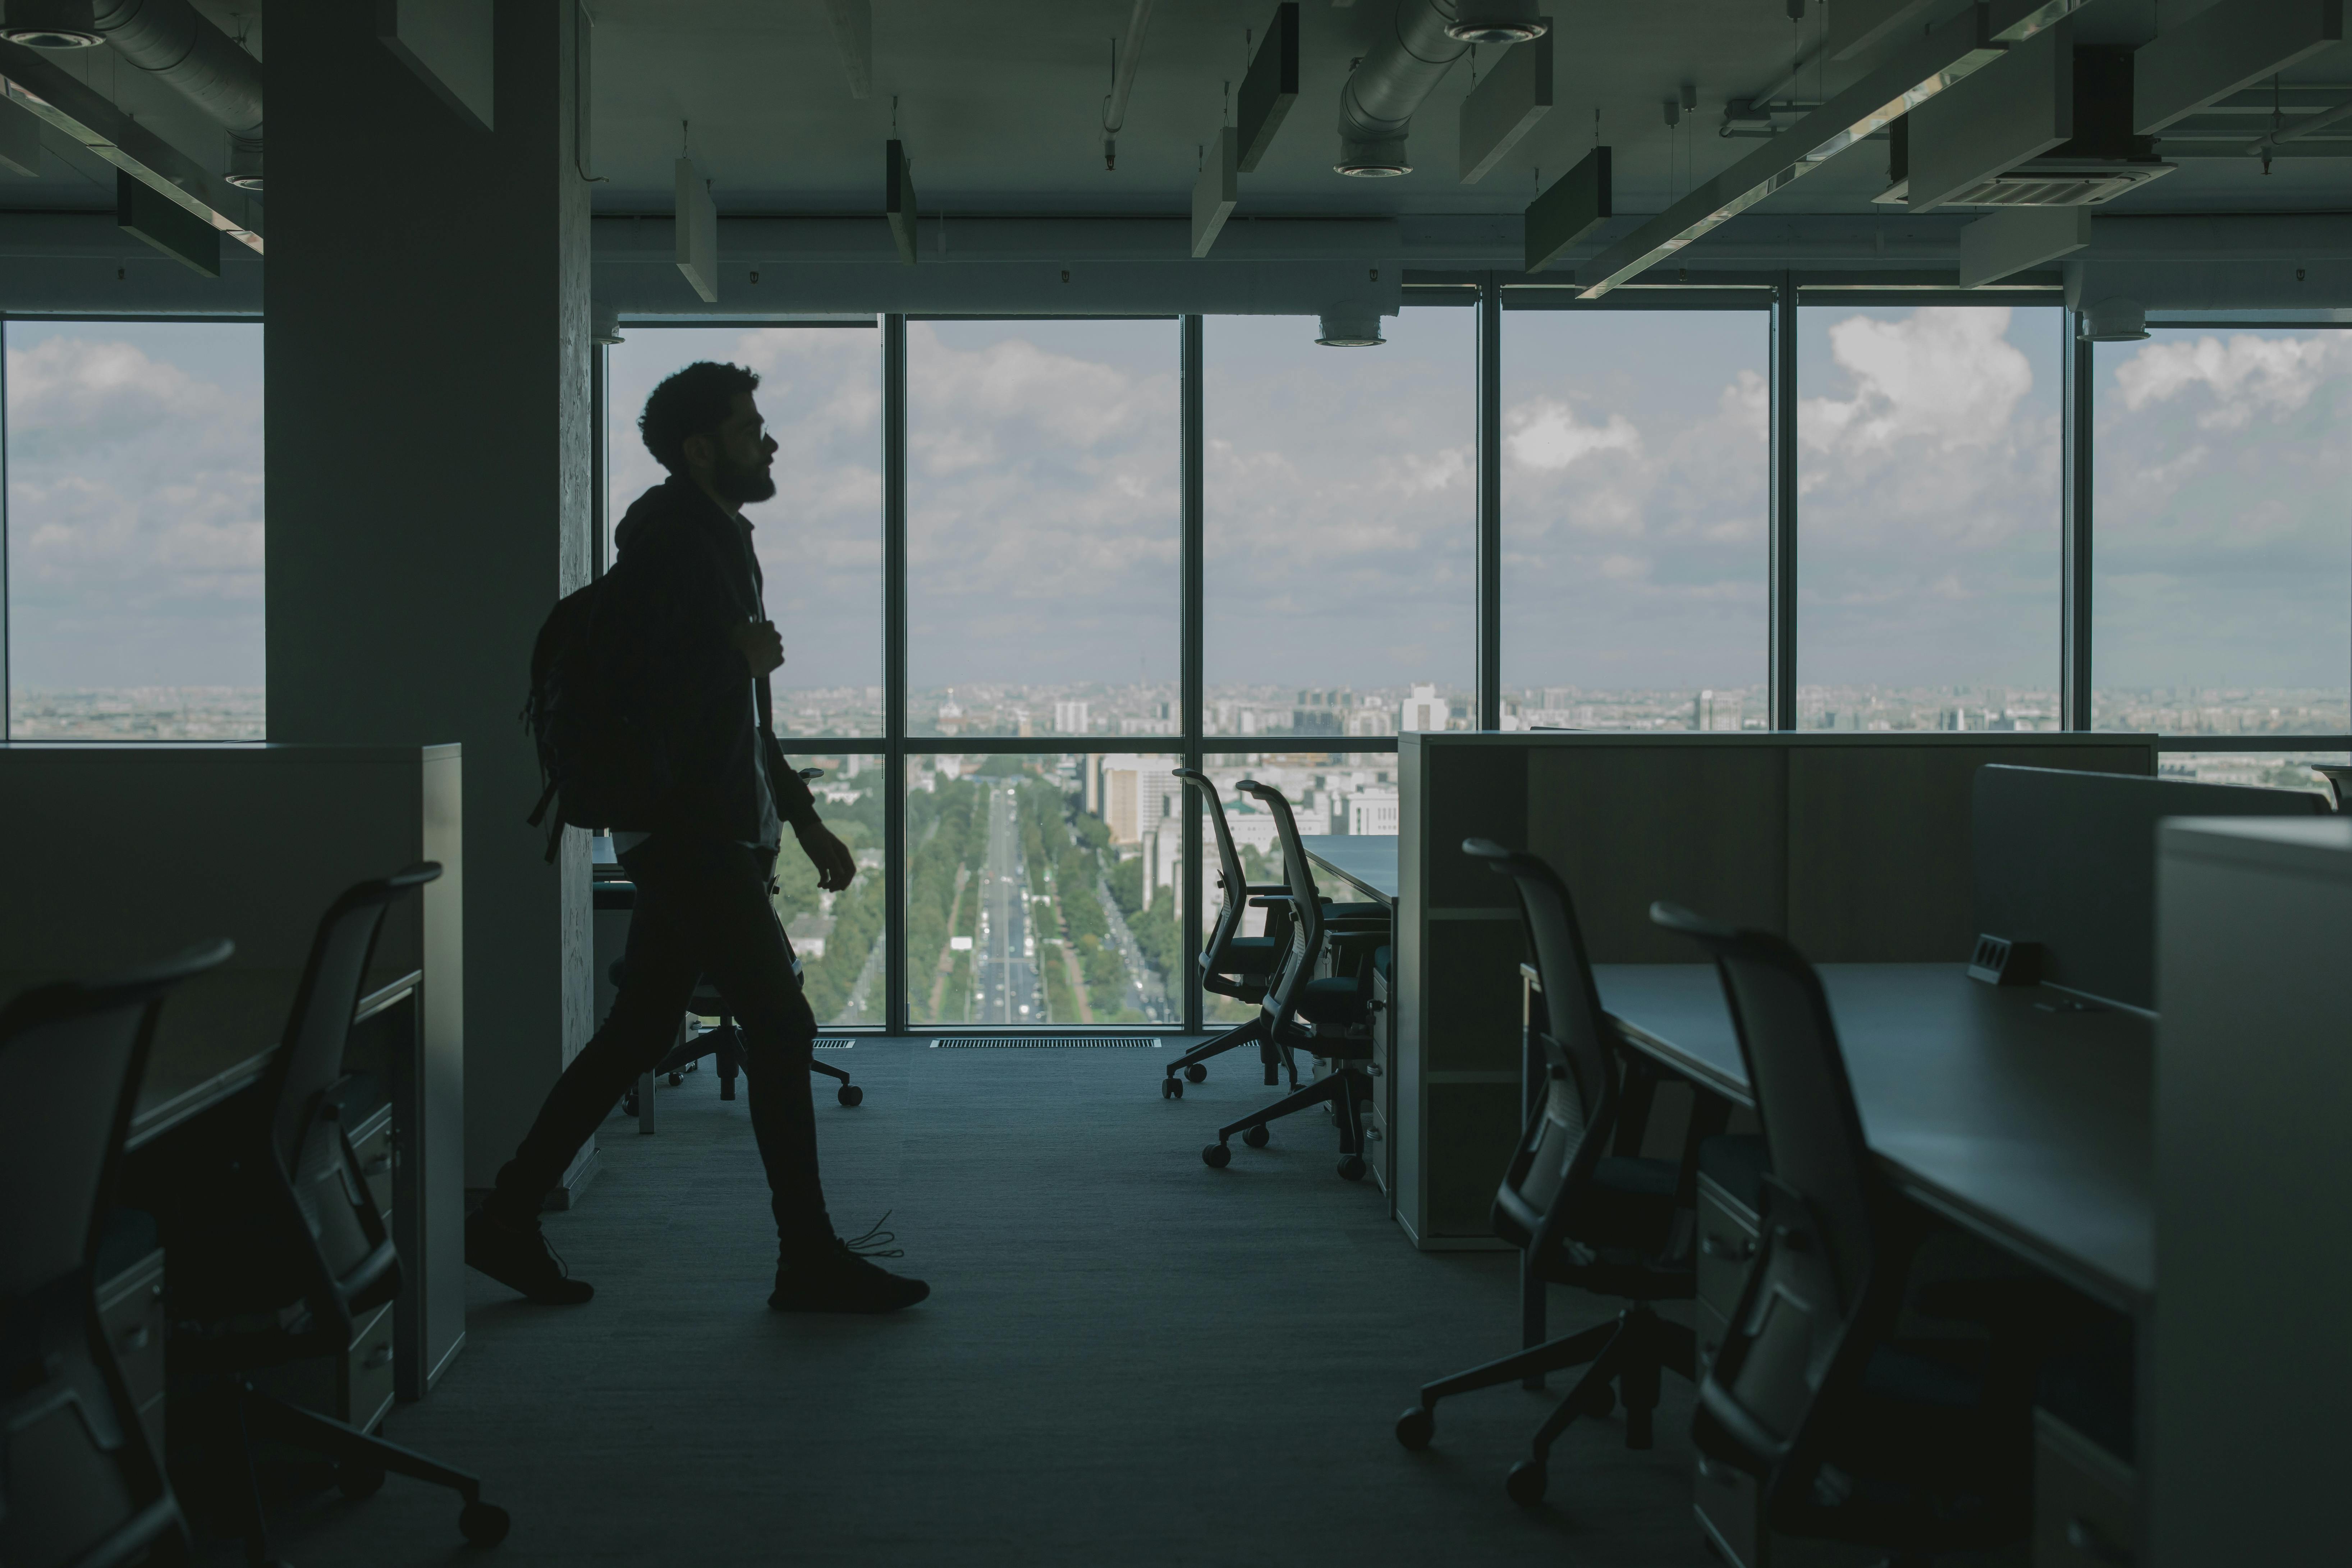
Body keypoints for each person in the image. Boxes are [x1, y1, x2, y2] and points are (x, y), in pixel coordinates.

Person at [465, 361, 928, 1314]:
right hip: (686, 833)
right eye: (750, 425)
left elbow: (742, 722)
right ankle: (806, 1257)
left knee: (640, 1028)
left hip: (706, 828)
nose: (769, 441)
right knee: (783, 1020)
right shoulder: (672, 544)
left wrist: (798, 818)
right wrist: (735, 656)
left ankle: (507, 1213)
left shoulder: (717, 538)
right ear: (700, 448)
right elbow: (649, 699)